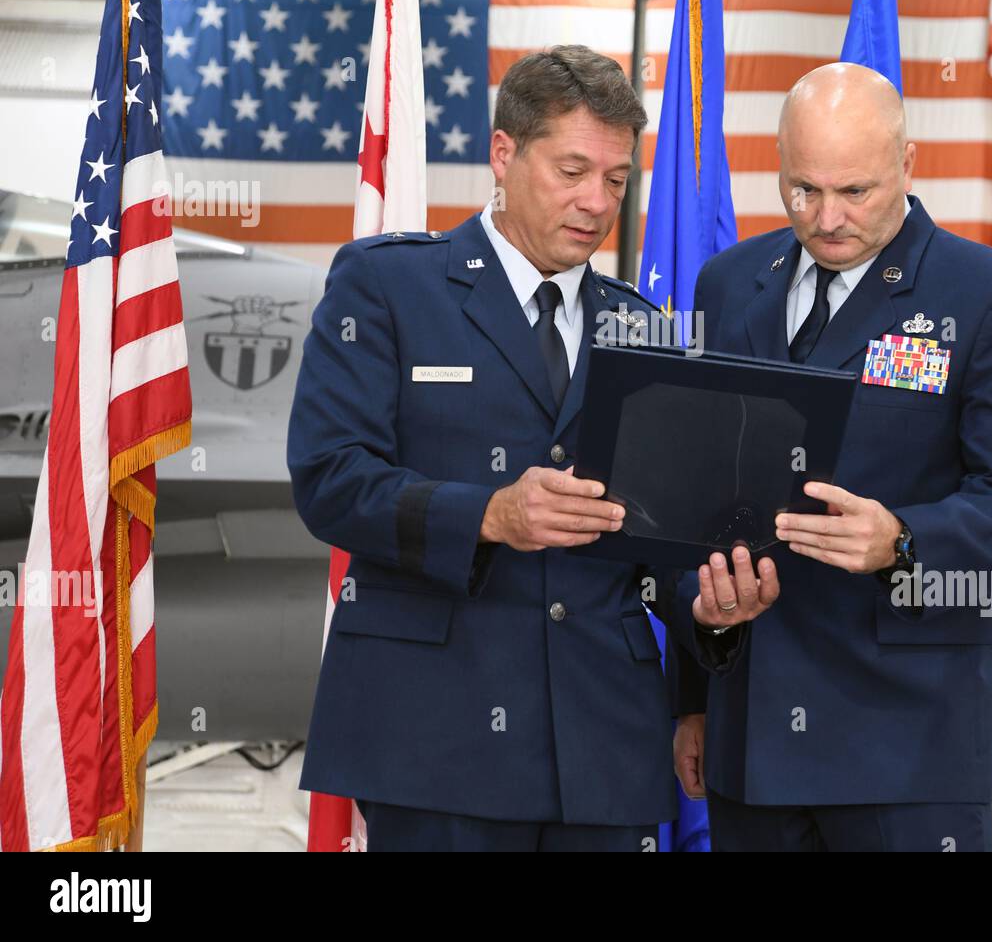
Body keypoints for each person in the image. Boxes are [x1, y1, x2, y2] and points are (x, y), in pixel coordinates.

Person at [288, 46, 779, 852]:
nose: (596, 202)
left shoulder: (646, 331)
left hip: (604, 746)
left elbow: (666, 542)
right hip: (435, 738)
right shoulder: (387, 288)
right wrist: (489, 514)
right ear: (504, 153)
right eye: (573, 171)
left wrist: (710, 607)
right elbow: (329, 479)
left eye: (617, 181)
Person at [671, 62, 992, 852]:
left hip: (906, 750)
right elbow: (695, 509)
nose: (826, 218)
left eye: (855, 191)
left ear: (908, 165)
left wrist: (905, 542)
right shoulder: (726, 284)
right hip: (750, 744)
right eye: (803, 190)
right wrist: (695, 689)